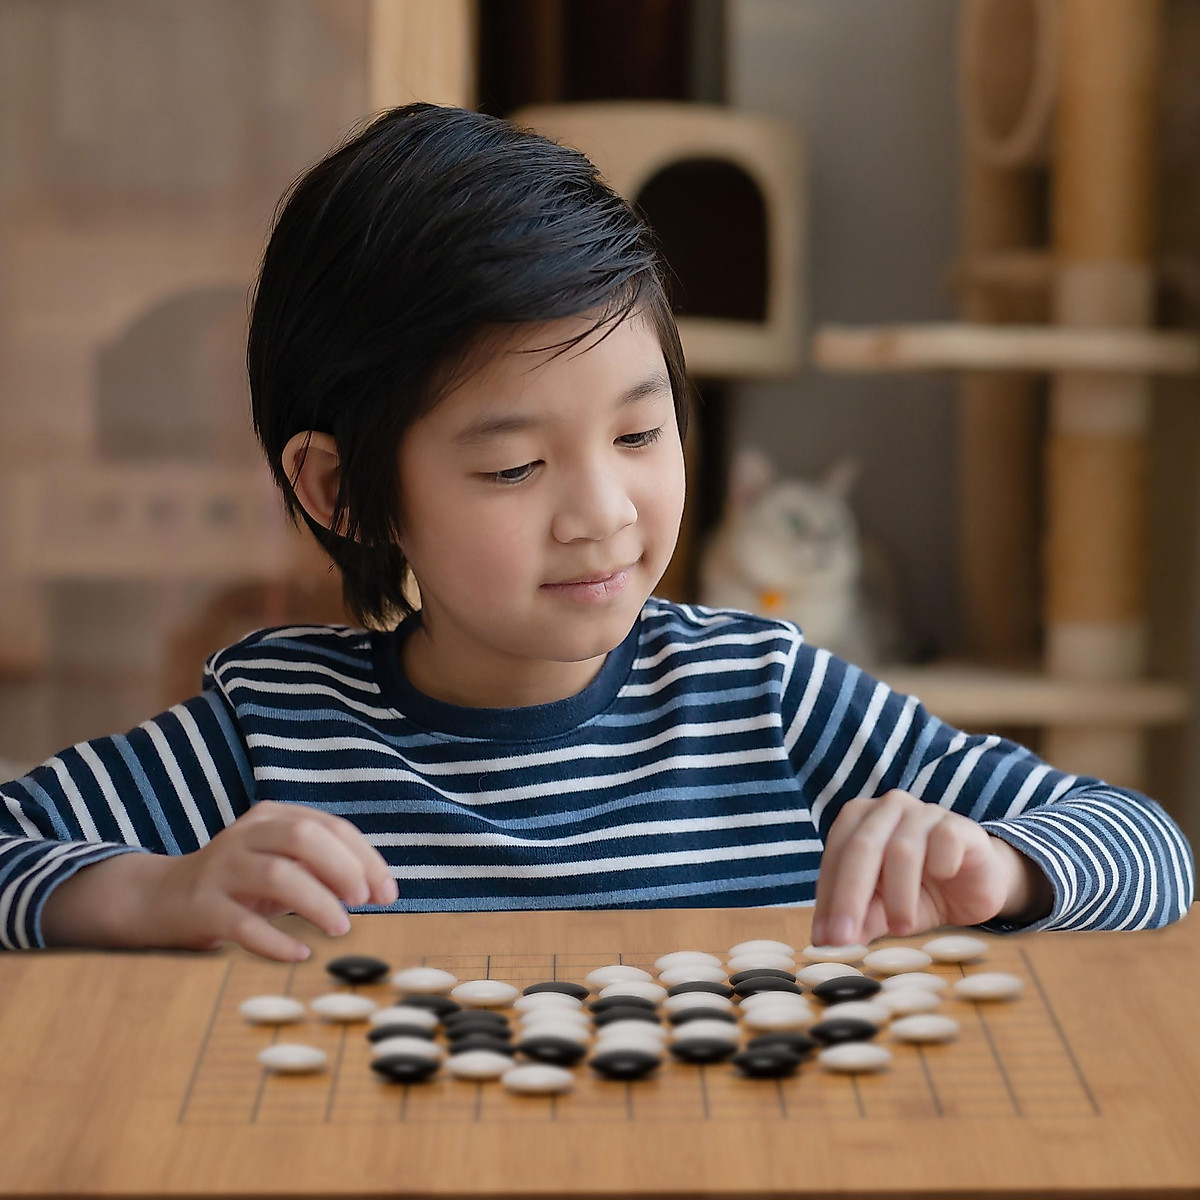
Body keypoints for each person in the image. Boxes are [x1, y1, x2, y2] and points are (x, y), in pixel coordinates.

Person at [0, 104, 1192, 962]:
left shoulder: (765, 696)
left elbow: (1150, 848)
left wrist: (1005, 867)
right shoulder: (276, 732)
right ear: (342, 493)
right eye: (515, 464)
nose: (606, 514)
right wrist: (151, 895)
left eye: (639, 434)